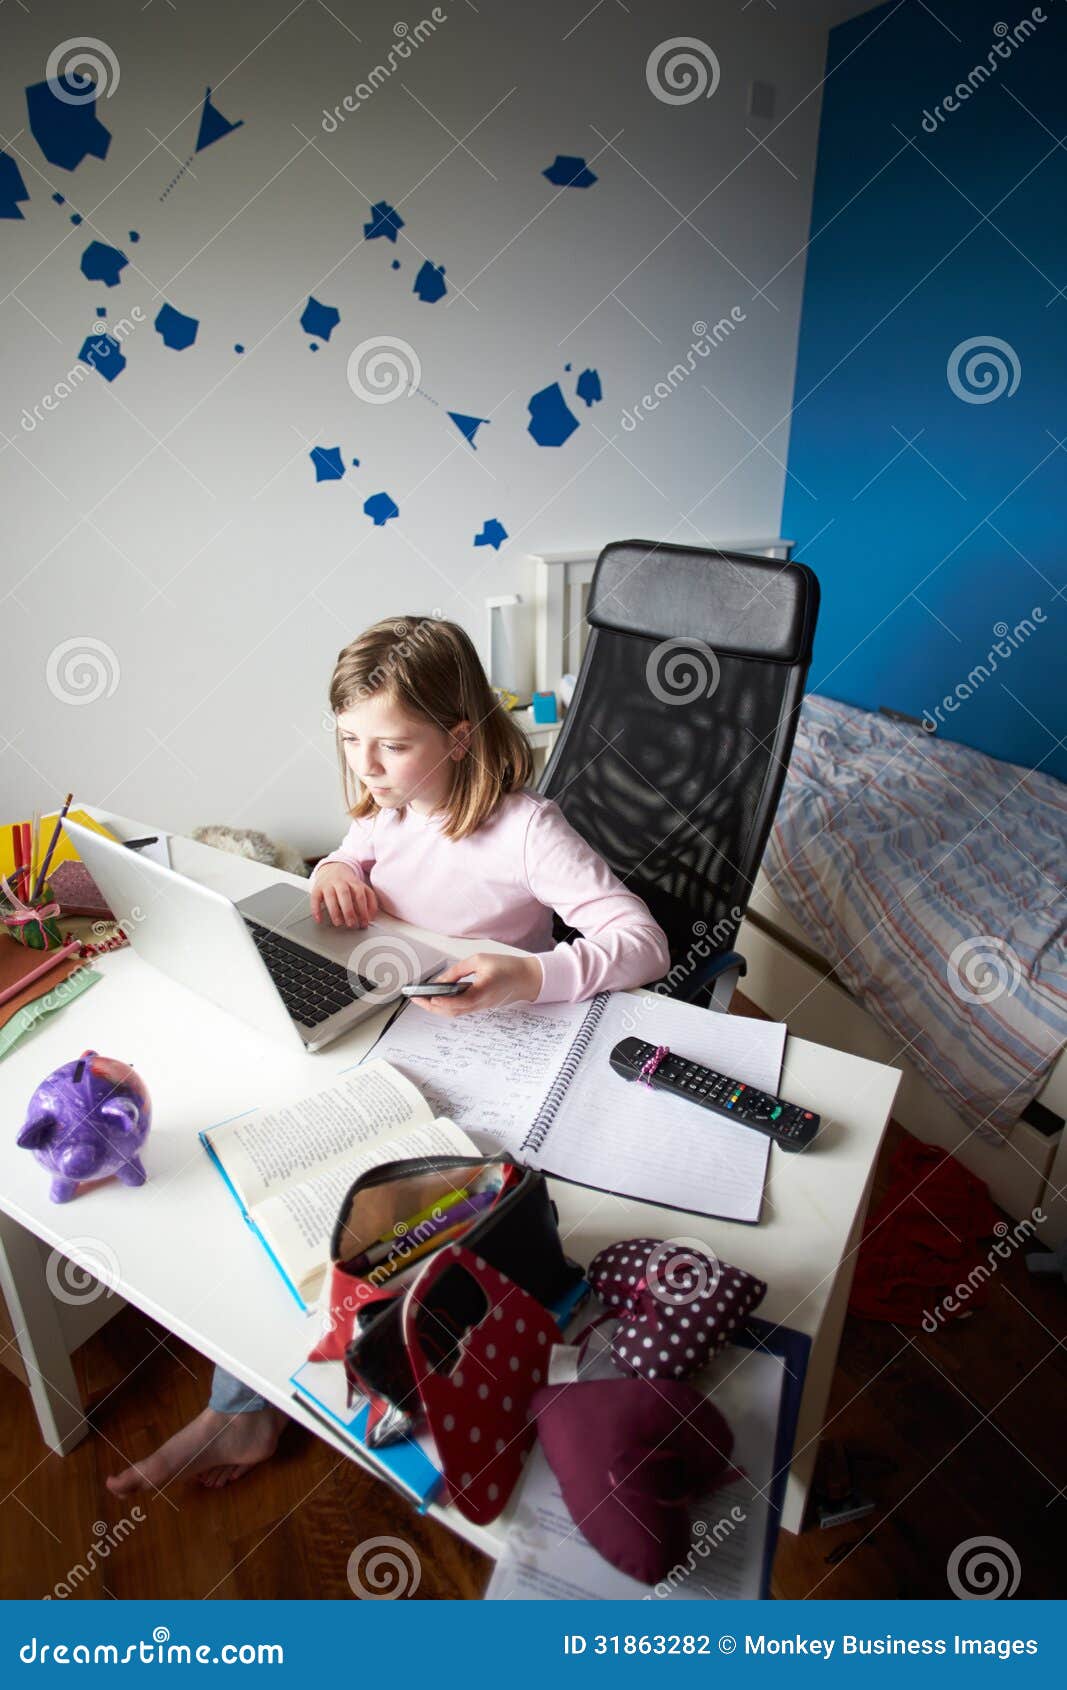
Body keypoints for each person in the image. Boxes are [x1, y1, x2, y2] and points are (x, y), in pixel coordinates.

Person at [107, 615, 670, 1495]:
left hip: (493, 1063)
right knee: (268, 1180)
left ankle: (267, 1410)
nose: (365, 768)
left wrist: (532, 973)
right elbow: (353, 848)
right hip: (381, 1039)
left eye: (391, 745)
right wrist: (334, 868)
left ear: (457, 735)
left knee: (359, 1220)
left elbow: (642, 942)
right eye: (348, 742)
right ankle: (251, 1406)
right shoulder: (387, 811)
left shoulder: (524, 831)